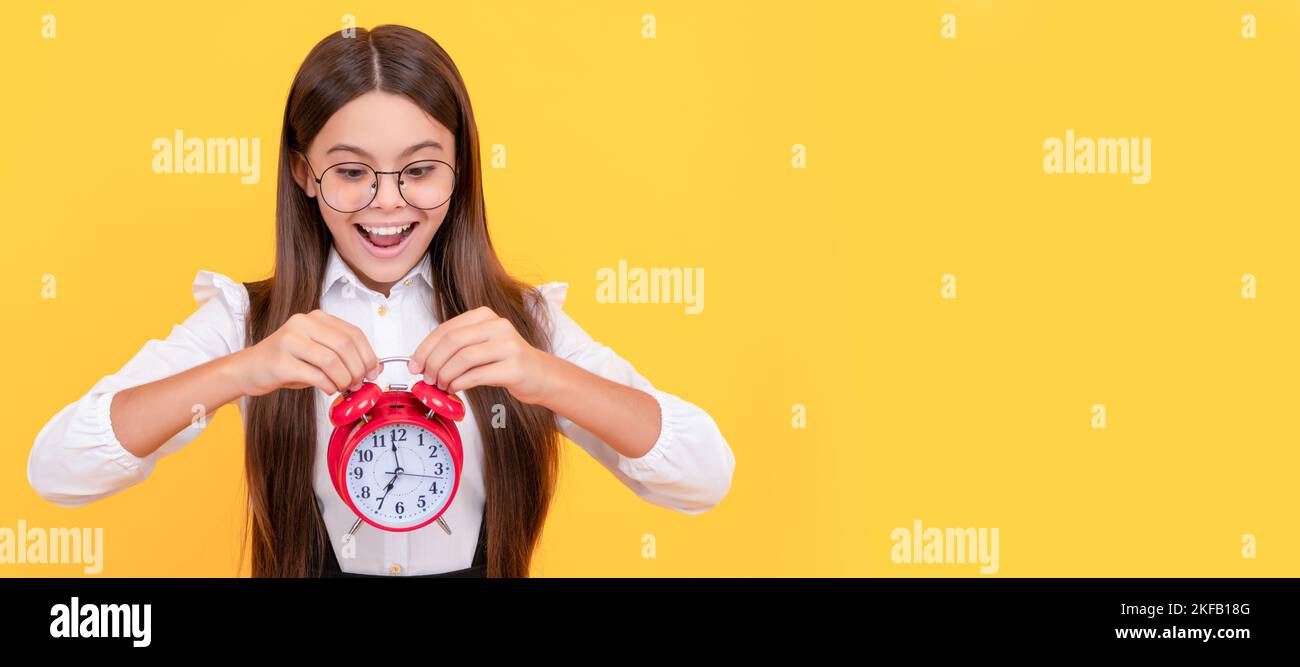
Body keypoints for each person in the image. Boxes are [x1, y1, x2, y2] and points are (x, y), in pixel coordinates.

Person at [27, 24, 735, 578]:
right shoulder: (248, 322)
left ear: (459, 172)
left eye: (420, 170)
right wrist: (243, 370)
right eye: (352, 172)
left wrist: (541, 375)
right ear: (305, 173)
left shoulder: (525, 328)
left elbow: (704, 478)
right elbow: (57, 470)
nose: (387, 203)